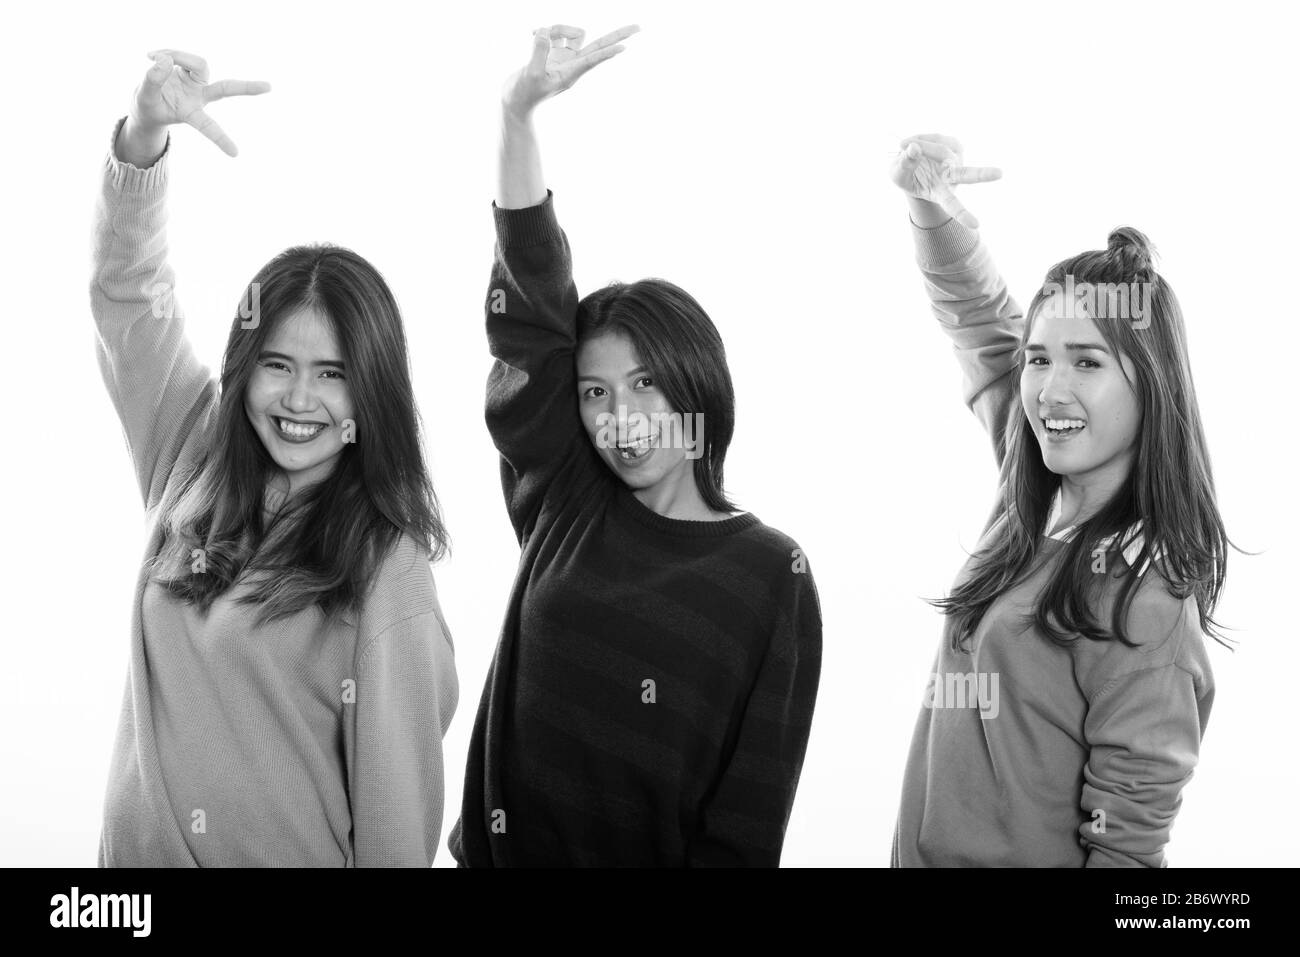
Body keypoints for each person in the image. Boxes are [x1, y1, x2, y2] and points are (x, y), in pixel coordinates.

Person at [448, 24, 823, 866]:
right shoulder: (565, 499)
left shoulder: (773, 575)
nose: (621, 415)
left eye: (647, 382)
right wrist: (518, 117)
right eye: (595, 392)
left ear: (697, 383)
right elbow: (532, 311)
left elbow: (746, 824)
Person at [93, 50, 457, 866]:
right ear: (242, 368)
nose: (299, 401)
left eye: (332, 375)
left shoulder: (387, 568)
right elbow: (128, 295)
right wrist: (145, 136)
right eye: (277, 366)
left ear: (371, 395)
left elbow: (396, 839)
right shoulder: (190, 449)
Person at [889, 134, 1228, 867]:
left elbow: (1126, 857)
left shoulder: (1147, 603)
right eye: (1039, 358)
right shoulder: (1027, 491)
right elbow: (979, 317)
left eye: (1087, 361)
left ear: (1151, 384)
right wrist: (929, 201)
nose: (1050, 389)